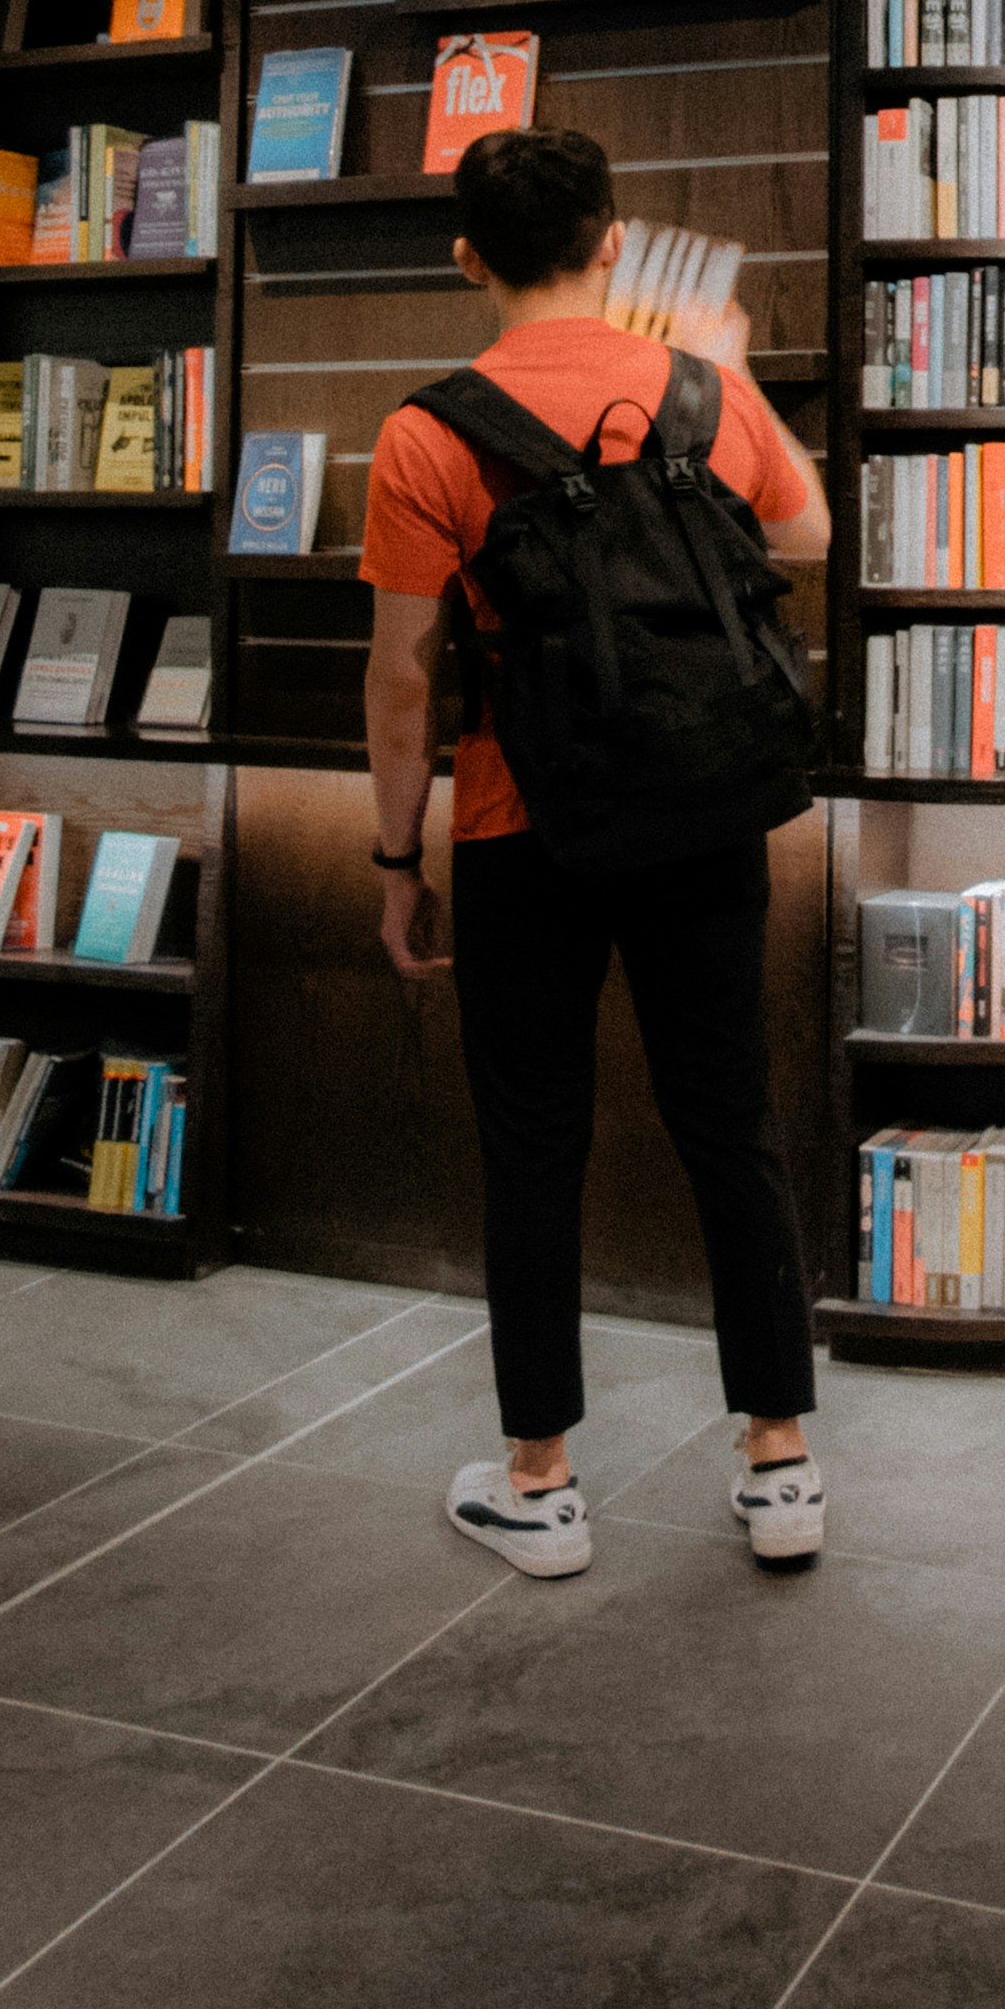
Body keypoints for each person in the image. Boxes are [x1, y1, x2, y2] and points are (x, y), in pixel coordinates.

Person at [361, 121, 836, 1580]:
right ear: (613, 242)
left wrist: (398, 859)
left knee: (531, 1143)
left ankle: (542, 1481)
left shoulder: (425, 431)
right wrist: (727, 363)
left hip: (524, 826)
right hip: (702, 812)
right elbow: (805, 536)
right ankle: (777, 1463)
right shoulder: (699, 393)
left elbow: (399, 675)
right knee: (727, 1123)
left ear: (466, 258)